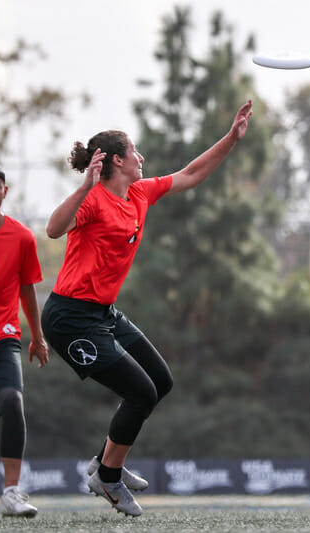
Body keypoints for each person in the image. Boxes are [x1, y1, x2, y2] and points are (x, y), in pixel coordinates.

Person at [41, 101, 253, 516]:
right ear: (117, 160)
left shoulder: (138, 192)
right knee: (140, 392)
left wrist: (231, 138)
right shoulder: (93, 199)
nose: (142, 157)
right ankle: (108, 477)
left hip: (103, 313)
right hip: (69, 318)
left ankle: (104, 464)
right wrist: (84, 186)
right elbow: (52, 229)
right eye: (135, 151)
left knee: (160, 380)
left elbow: (191, 174)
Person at [0, 161, 49, 517]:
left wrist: (38, 338)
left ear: (5, 192)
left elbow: (27, 291)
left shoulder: (22, 237)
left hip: (2, 337)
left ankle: (11, 493)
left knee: (12, 399)